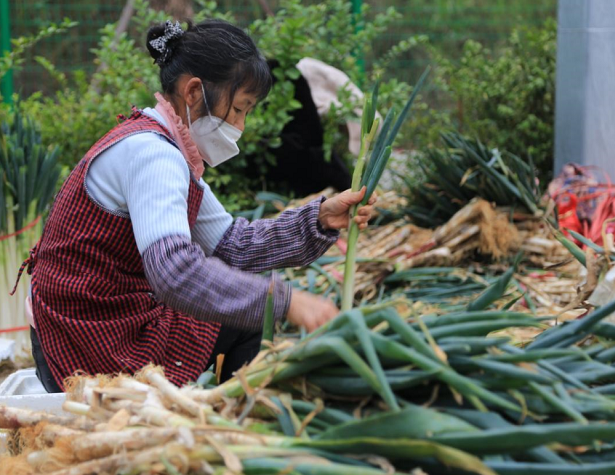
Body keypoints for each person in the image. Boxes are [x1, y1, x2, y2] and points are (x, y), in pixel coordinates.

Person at [18, 19, 376, 393]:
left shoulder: (167, 149)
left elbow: (232, 245)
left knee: (239, 312)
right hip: (88, 342)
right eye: (239, 109)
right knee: (243, 319)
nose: (241, 124)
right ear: (193, 92)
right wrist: (283, 301)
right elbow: (174, 272)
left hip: (109, 324)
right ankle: (235, 427)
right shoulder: (153, 155)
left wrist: (318, 219)